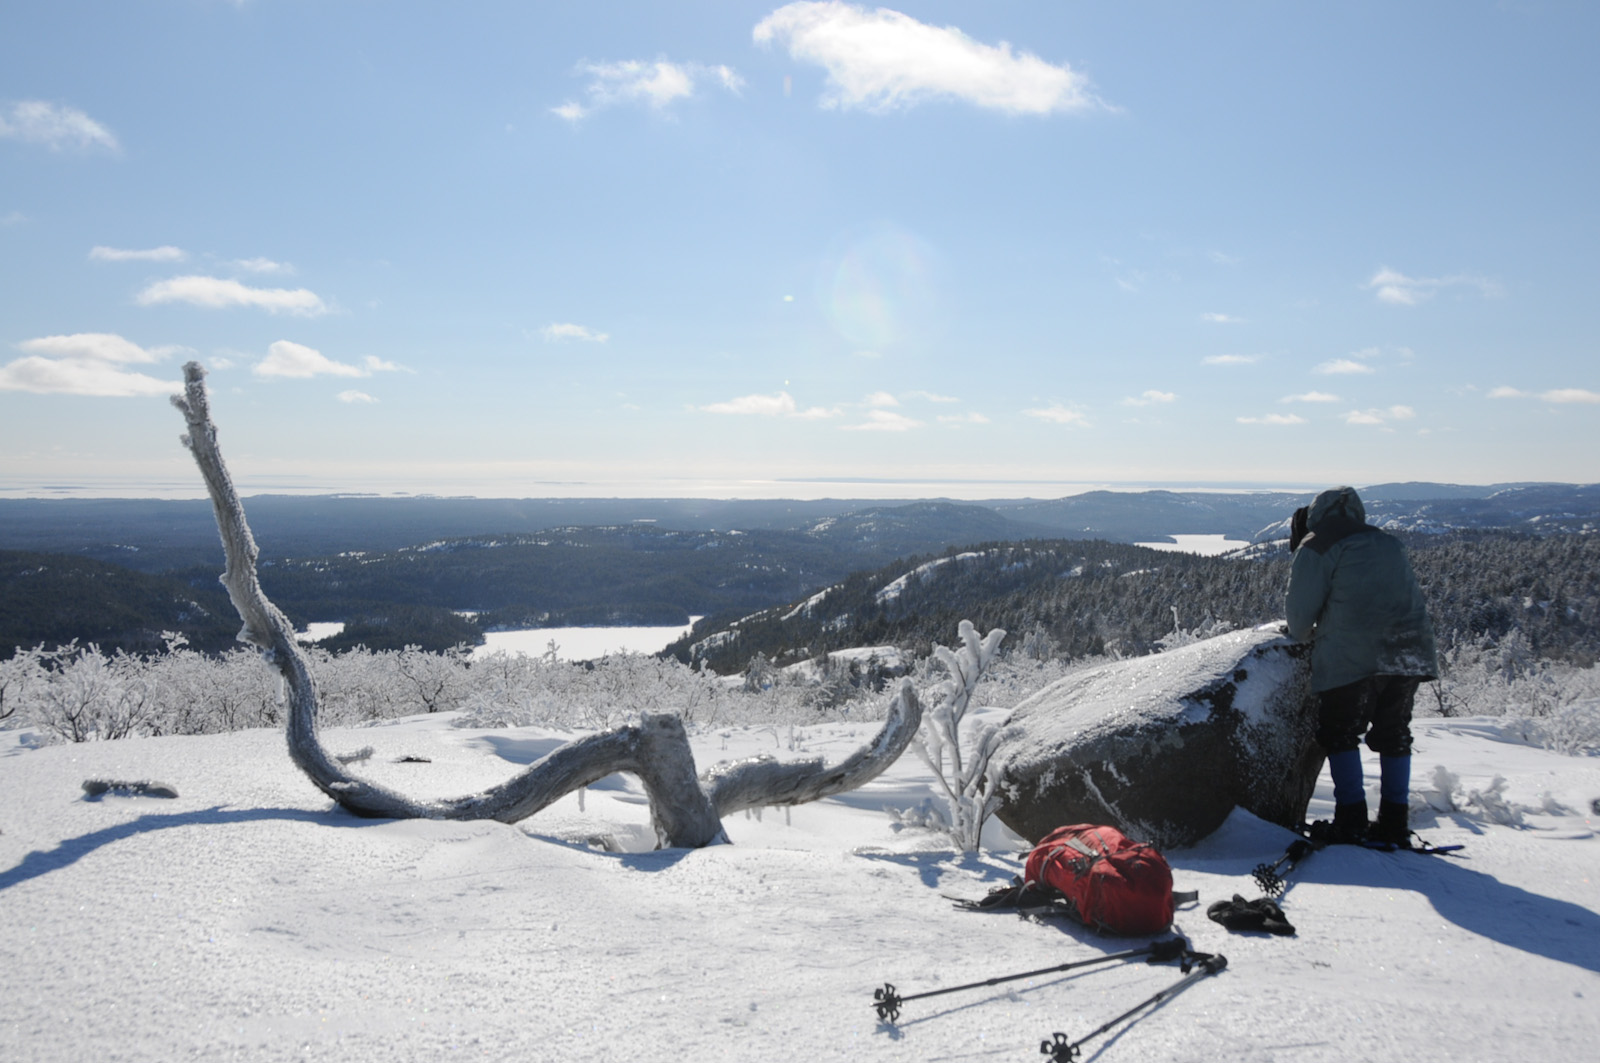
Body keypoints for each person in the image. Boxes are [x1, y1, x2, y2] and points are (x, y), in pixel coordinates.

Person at [1286, 486, 1438, 845]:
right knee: (1394, 733)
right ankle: (1394, 821)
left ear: (1315, 515)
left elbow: (1298, 619)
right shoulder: (1388, 542)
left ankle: (1350, 819)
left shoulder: (1317, 543)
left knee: (1340, 732)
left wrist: (1308, 633)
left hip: (1353, 654)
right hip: (1409, 651)